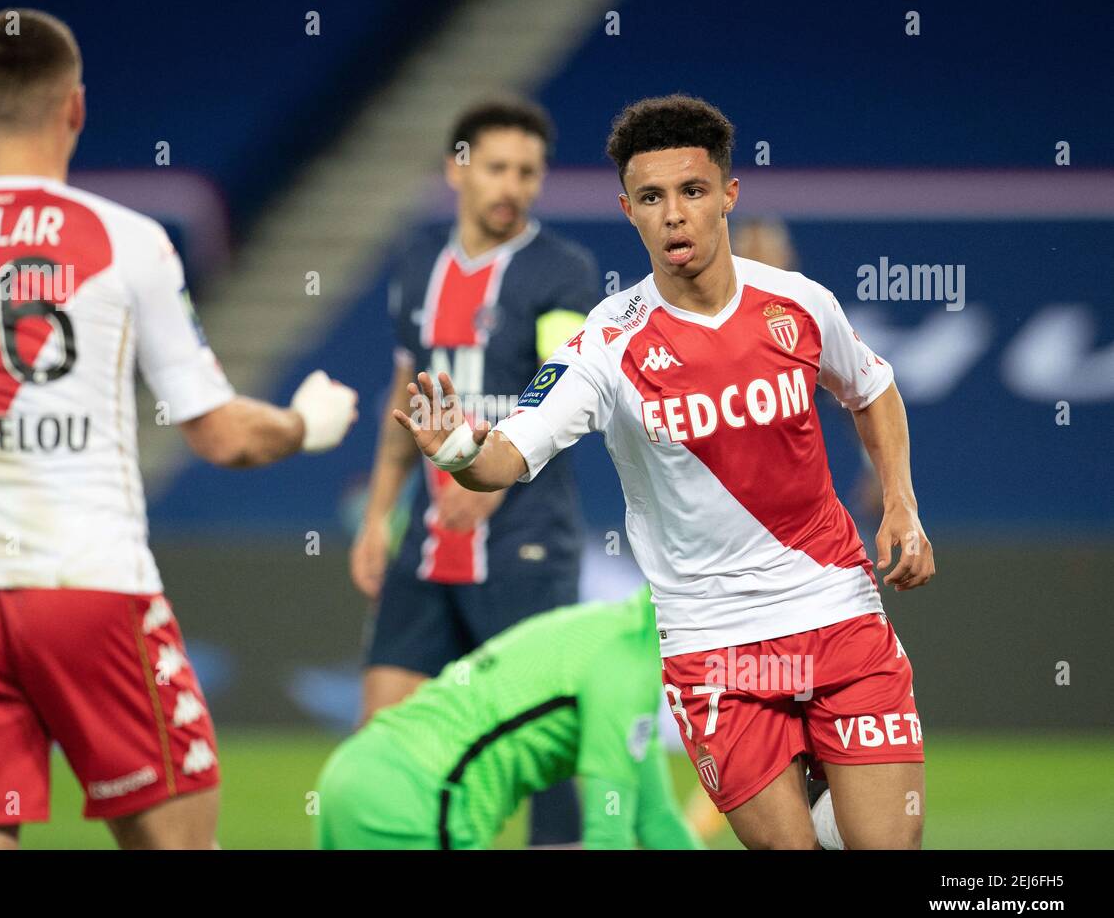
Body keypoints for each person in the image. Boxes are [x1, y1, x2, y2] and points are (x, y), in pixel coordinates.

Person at [0, 8, 358, 849]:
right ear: (76, 108)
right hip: (88, 589)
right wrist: (306, 425)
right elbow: (222, 435)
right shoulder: (125, 240)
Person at [392, 94, 934, 850]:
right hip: (710, 642)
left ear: (727, 197)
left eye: (692, 191)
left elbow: (872, 390)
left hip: (836, 608)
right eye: (652, 197)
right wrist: (457, 450)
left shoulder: (799, 304)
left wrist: (901, 505)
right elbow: (508, 453)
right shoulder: (606, 343)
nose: (674, 214)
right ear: (628, 210)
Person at [348, 98, 601, 845]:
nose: (512, 187)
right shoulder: (417, 264)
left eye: (528, 172)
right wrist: (377, 514)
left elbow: (567, 390)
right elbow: (405, 396)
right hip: (427, 543)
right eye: (497, 167)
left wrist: (488, 486)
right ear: (457, 168)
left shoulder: (563, 270)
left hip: (525, 541)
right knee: (381, 735)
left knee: (542, 744)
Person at [316, 586, 704, 850]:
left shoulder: (616, 636)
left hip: (356, 771)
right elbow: (608, 837)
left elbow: (657, 822)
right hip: (418, 796)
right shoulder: (627, 670)